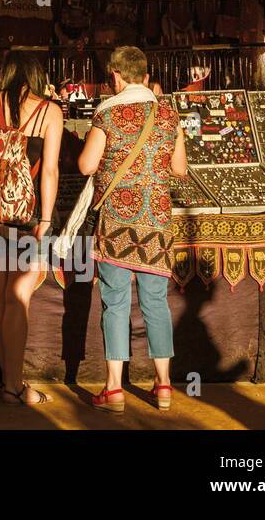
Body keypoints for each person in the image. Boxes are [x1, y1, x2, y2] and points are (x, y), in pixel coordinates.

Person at [78, 46, 186, 414]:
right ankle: (164, 385)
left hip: (116, 223)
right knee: (156, 301)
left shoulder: (106, 113)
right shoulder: (170, 116)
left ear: (116, 77)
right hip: (156, 221)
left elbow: (86, 165)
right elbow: (180, 169)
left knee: (116, 302)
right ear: (145, 73)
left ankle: (114, 389)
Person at [0, 51, 63, 407]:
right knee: (19, 298)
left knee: (1, 296)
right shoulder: (50, 112)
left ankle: (11, 381)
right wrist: (47, 221)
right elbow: (49, 171)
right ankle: (13, 386)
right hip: (26, 218)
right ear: (36, 76)